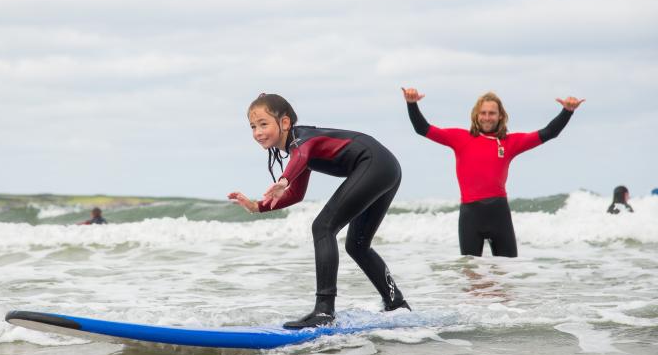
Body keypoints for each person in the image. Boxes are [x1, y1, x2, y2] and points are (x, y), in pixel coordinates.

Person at [228, 93, 410, 329]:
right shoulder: (300, 148)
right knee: (357, 245)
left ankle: (324, 311)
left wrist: (283, 180)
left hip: (375, 164)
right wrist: (257, 206)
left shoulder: (301, 142)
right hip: (386, 167)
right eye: (253, 126)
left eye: (264, 124)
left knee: (323, 227)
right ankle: (396, 303)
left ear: (284, 123)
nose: (257, 132)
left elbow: (299, 159)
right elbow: (297, 194)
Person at [402, 88, 584, 257]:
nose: (487, 117)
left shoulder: (510, 142)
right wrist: (412, 104)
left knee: (506, 277)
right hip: (470, 216)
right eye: (483, 113)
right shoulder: (460, 138)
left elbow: (549, 132)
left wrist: (567, 112)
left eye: (492, 113)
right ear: (476, 115)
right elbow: (422, 128)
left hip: (499, 215)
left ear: (500, 116)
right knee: (472, 278)